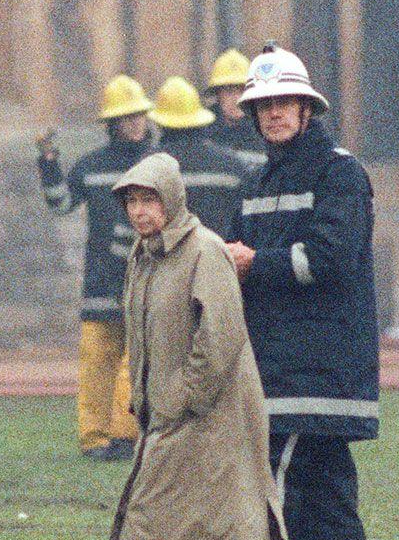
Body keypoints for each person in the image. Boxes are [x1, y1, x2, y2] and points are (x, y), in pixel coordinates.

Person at [43, 153, 312, 540]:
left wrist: (178, 399)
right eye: (132, 202)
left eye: (150, 200)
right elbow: (145, 339)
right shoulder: (144, 256)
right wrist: (144, 401)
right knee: (238, 519)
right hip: (174, 412)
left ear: (173, 199)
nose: (141, 212)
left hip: (214, 412)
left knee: (157, 512)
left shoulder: (204, 252)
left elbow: (221, 336)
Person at [198, 43, 379, 540]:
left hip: (320, 364)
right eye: (264, 105)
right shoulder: (256, 181)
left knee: (264, 481)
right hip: (277, 362)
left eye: (284, 103)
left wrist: (256, 264)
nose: (273, 113)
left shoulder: (339, 172)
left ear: (307, 108)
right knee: (324, 486)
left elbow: (330, 260)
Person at [36, 75, 152, 460]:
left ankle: (124, 435)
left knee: (135, 361)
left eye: (139, 116)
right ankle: (93, 438)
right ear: (112, 124)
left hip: (146, 278)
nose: (135, 124)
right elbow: (61, 203)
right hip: (101, 279)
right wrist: (49, 164)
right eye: (127, 117)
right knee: (96, 361)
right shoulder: (92, 166)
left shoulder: (160, 163)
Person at [147, 76, 250, 238]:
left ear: (160, 122)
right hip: (220, 258)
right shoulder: (233, 165)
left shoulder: (147, 166)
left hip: (166, 261)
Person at [203, 48, 267, 164]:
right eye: (229, 91)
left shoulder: (265, 129)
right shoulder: (203, 133)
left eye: (242, 90)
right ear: (217, 94)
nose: (237, 99)